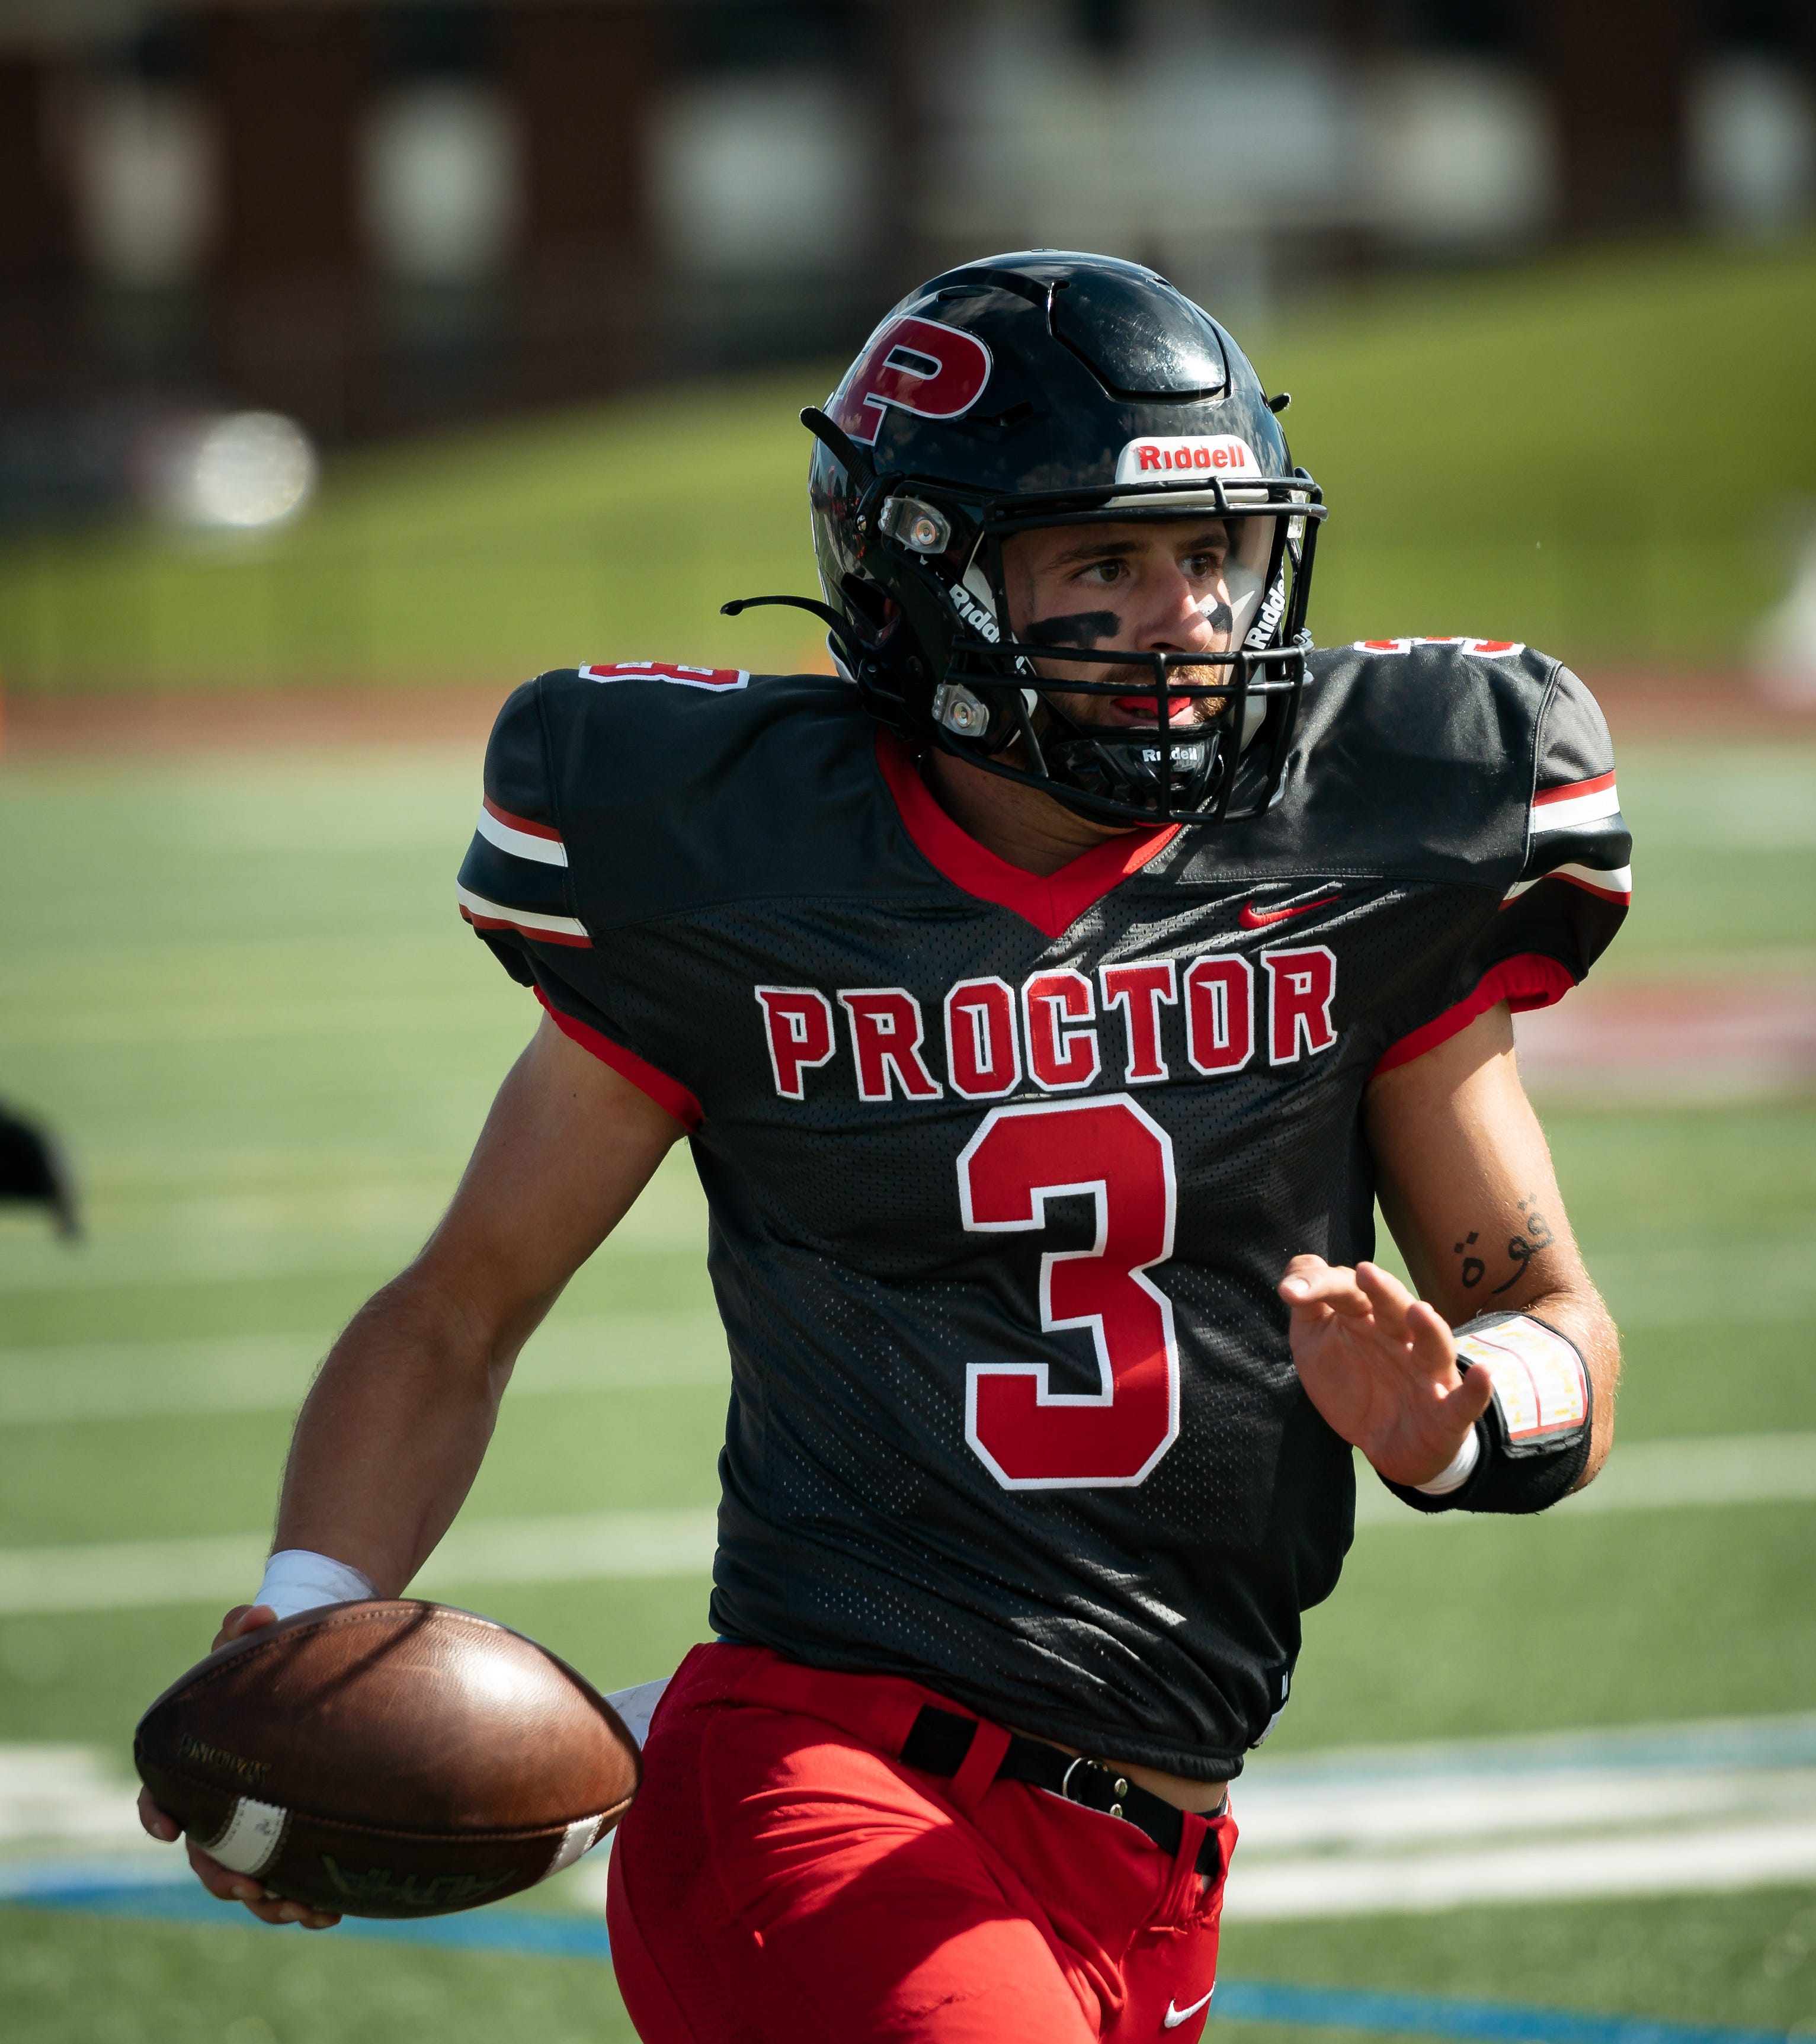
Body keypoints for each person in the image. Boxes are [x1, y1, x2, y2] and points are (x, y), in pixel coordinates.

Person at [138, 252, 1629, 2042]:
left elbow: (1552, 1309)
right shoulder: (747, 868)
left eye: (1212, 556)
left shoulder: (1365, 847)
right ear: (921, 576)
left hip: (1154, 1842)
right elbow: (463, 1304)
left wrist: (1472, 1413)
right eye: (1101, 563)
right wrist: (296, 1624)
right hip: (824, 1793)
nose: (1186, 619)